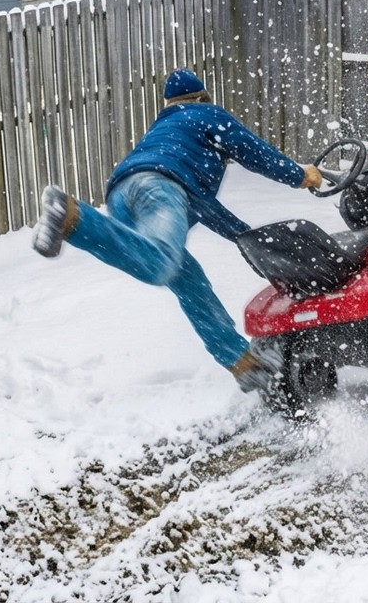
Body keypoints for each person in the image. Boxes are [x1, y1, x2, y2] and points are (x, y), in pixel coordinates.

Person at [31, 69, 323, 392]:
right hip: (158, 188)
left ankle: (243, 363)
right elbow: (252, 152)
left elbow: (201, 204)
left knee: (189, 282)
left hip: (121, 196)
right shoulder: (205, 115)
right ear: (202, 97)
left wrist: (244, 236)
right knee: (161, 264)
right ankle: (74, 217)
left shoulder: (164, 128)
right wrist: (299, 175)